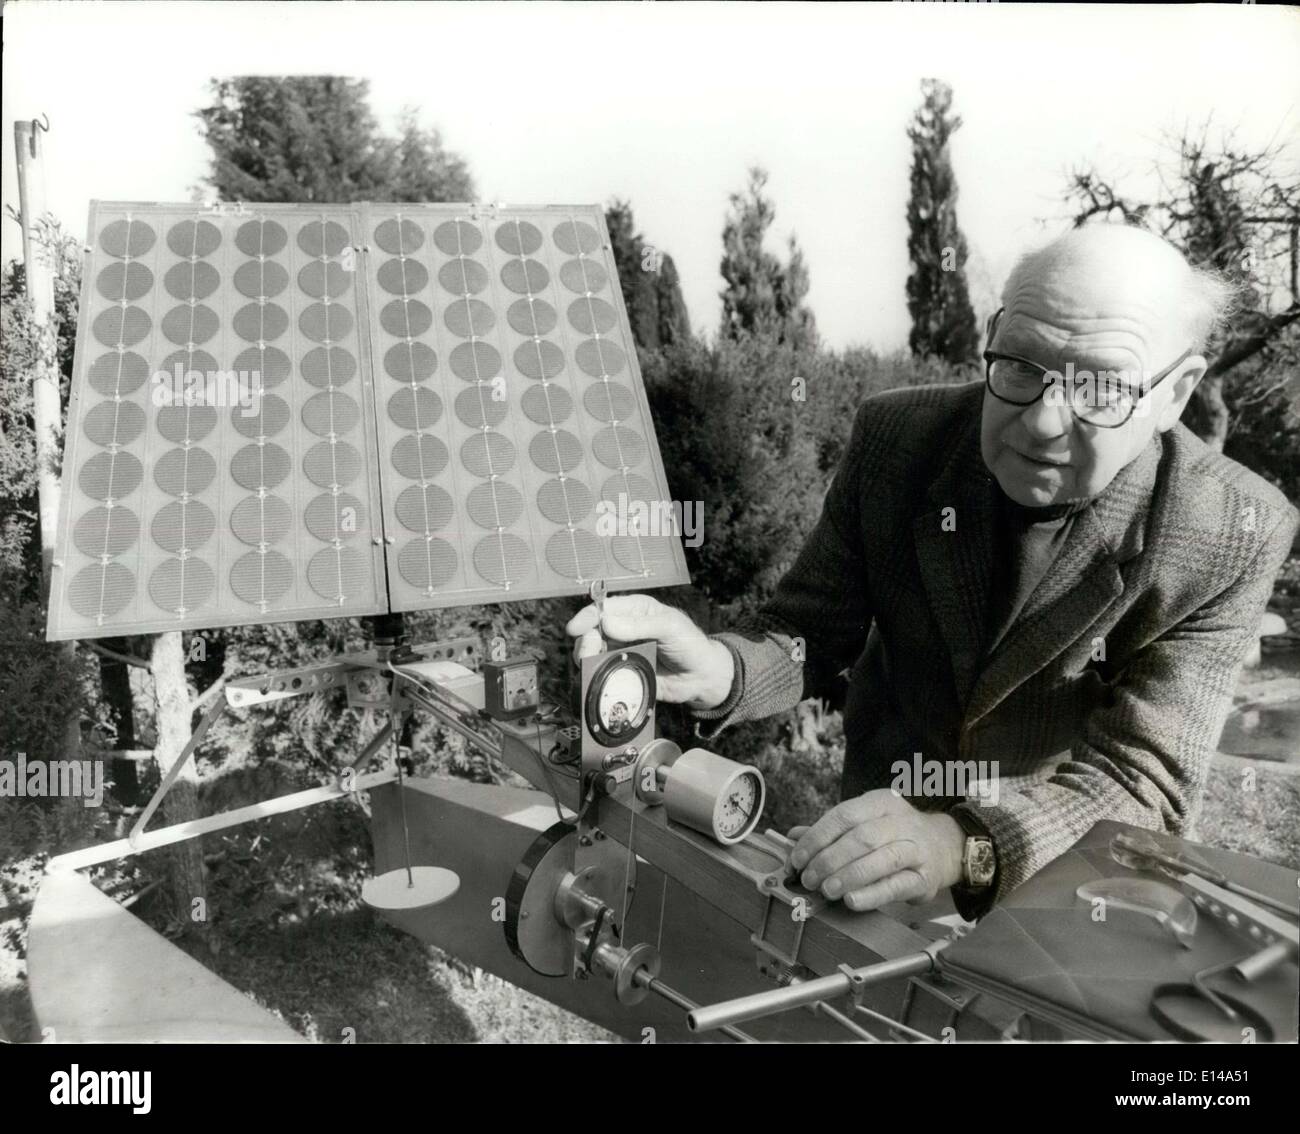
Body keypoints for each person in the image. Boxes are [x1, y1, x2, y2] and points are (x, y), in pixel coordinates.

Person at [567, 223, 1298, 920]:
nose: (1043, 422)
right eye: (1020, 365)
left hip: (1071, 878)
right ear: (992, 336)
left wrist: (960, 842)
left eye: (1100, 387)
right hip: (871, 856)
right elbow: (808, 635)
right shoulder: (897, 440)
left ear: (1175, 393)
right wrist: (722, 667)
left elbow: (1144, 778)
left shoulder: (1231, 531)